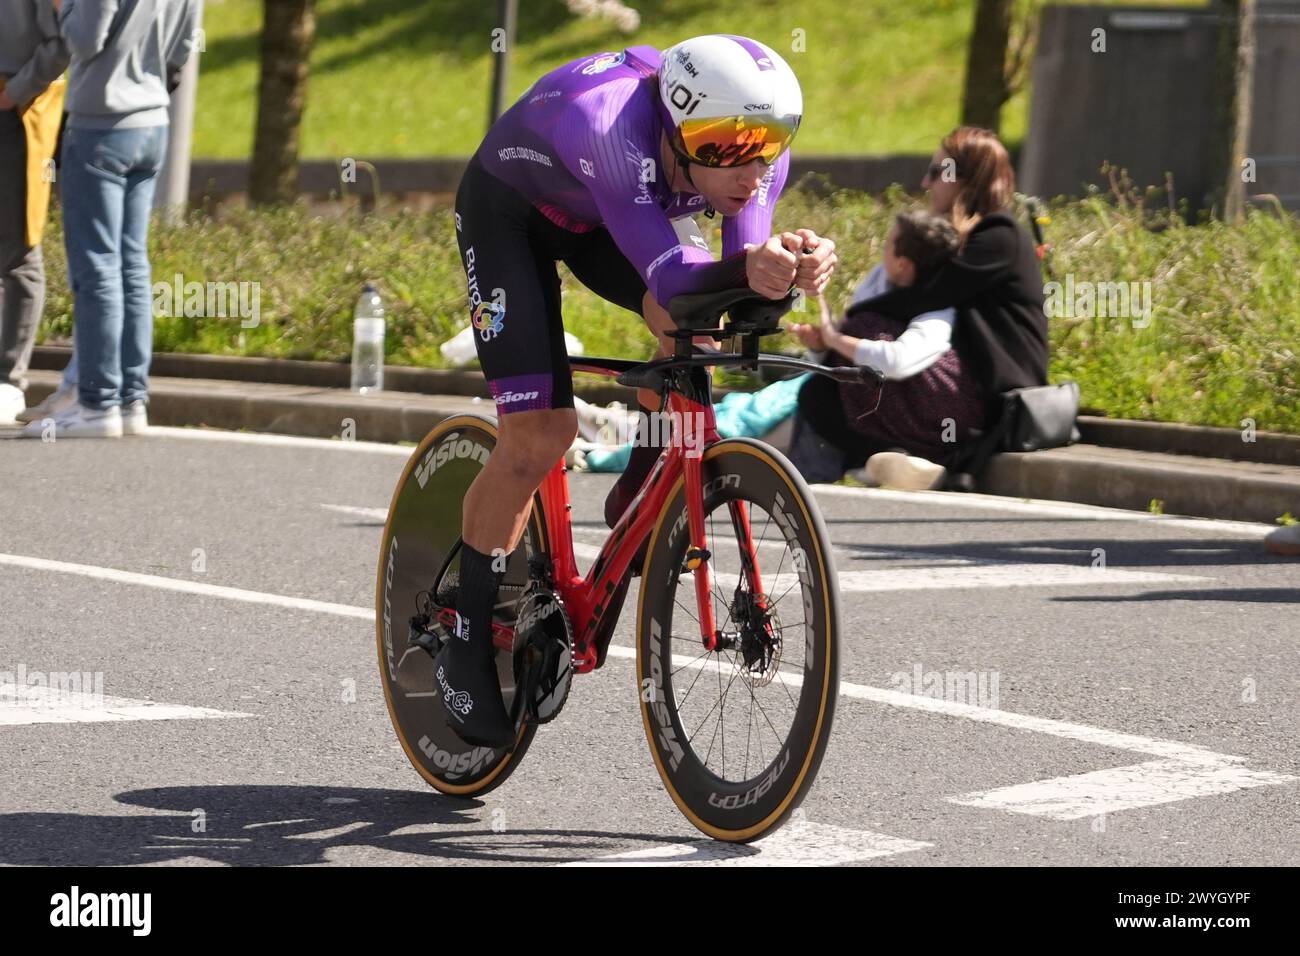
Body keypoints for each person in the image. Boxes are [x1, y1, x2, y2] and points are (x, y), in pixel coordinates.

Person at [443, 35, 837, 747]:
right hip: (513, 214)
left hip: (605, 216)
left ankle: (644, 478)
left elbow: (726, 280)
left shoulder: (752, 160)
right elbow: (675, 276)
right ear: (676, 126)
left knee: (696, 333)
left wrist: (790, 268)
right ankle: (468, 640)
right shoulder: (613, 125)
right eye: (724, 146)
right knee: (541, 438)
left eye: (767, 145)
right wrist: (752, 268)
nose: (750, 169)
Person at [790, 126, 1048, 488]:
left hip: (994, 396)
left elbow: (924, 296)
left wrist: (844, 324)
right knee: (826, 387)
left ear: (966, 178)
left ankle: (861, 471)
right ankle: (878, 463)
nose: (927, 183)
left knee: (850, 350)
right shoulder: (979, 235)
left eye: (937, 171)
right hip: (964, 383)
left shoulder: (998, 235)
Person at [20, 0, 199, 439]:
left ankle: (97, 402)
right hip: (153, 121)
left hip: (101, 125)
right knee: (132, 265)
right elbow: (185, 47)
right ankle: (131, 399)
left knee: (97, 266)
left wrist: (63, 7)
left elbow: (84, 39)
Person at [0, 0, 68, 425]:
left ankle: (8, 380)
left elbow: (66, 42)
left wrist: (16, 91)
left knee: (21, 246)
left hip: (18, 111)